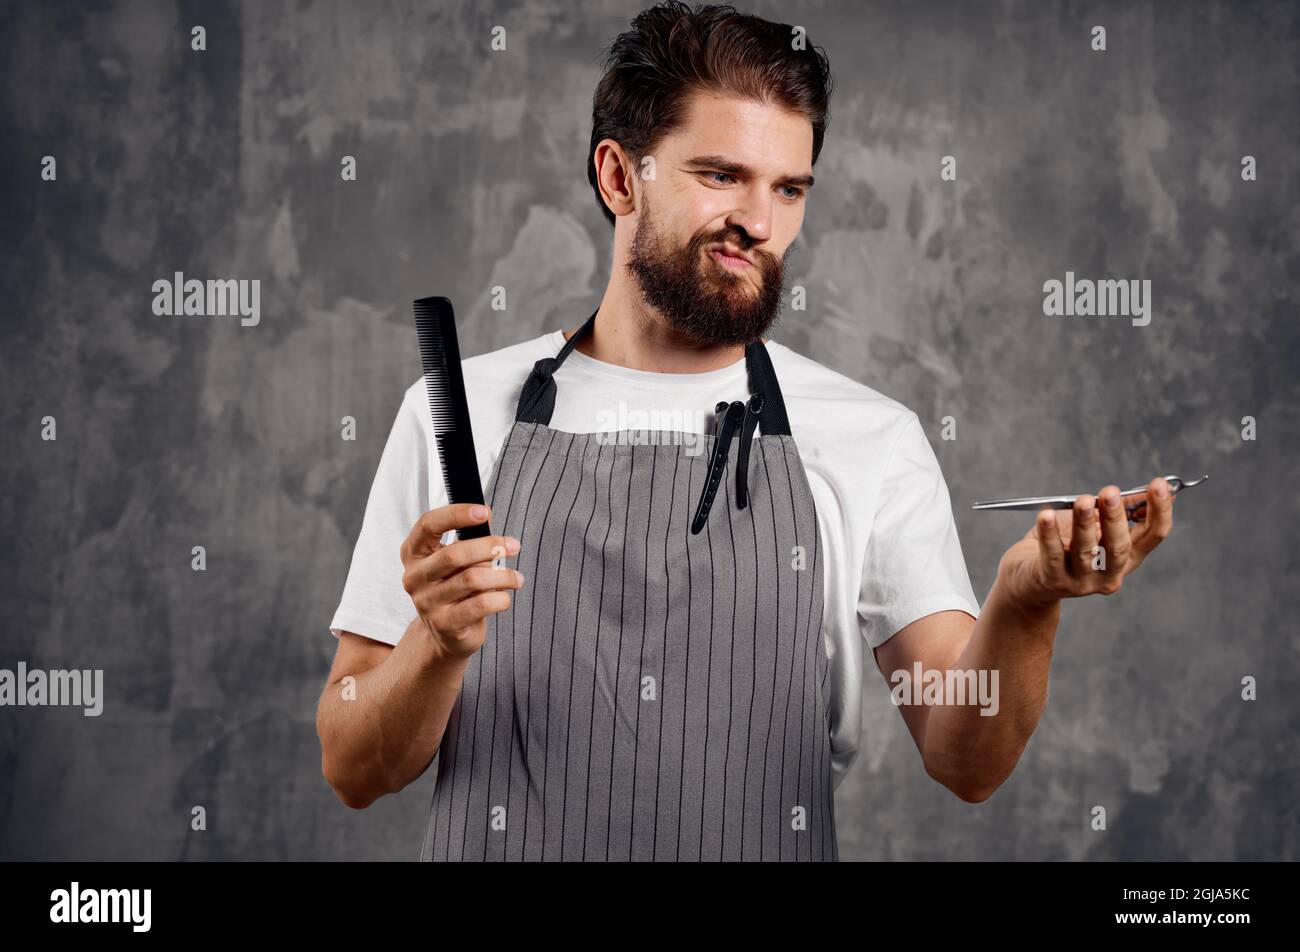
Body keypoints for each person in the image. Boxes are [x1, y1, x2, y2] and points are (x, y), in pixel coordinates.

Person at [316, 2, 1176, 862]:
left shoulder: (869, 436)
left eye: (788, 188)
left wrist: (1025, 605)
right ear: (620, 177)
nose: (760, 223)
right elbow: (353, 767)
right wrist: (436, 642)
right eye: (722, 175)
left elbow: (966, 758)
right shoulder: (458, 413)